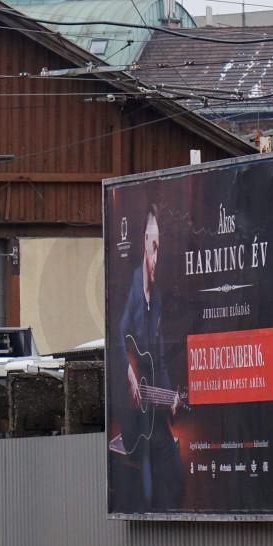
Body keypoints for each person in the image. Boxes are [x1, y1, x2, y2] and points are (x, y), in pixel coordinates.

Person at [114, 204, 181, 508]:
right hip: (130, 411)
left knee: (173, 471)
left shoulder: (159, 299)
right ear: (143, 242)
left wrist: (170, 397)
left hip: (151, 410)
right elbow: (117, 332)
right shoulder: (131, 287)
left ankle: (168, 518)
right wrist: (129, 373)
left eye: (159, 249)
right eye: (153, 247)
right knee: (146, 466)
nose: (156, 257)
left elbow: (161, 360)